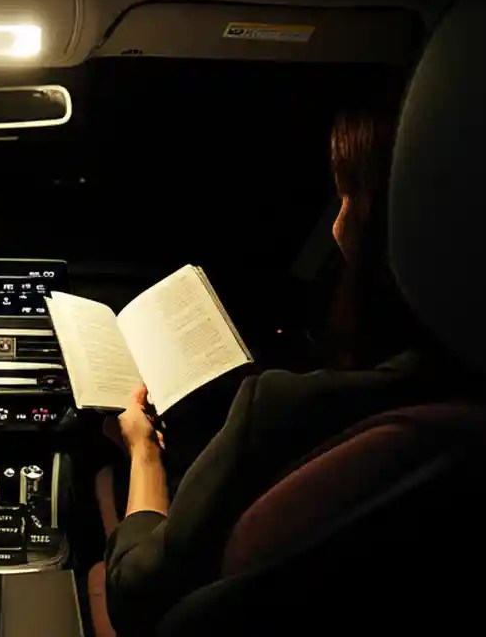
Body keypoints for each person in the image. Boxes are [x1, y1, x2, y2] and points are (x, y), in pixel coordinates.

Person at [101, 109, 460, 635]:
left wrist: (143, 451)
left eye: (347, 199)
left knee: (101, 487)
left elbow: (134, 595)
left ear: (390, 230)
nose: (336, 226)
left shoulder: (278, 411)